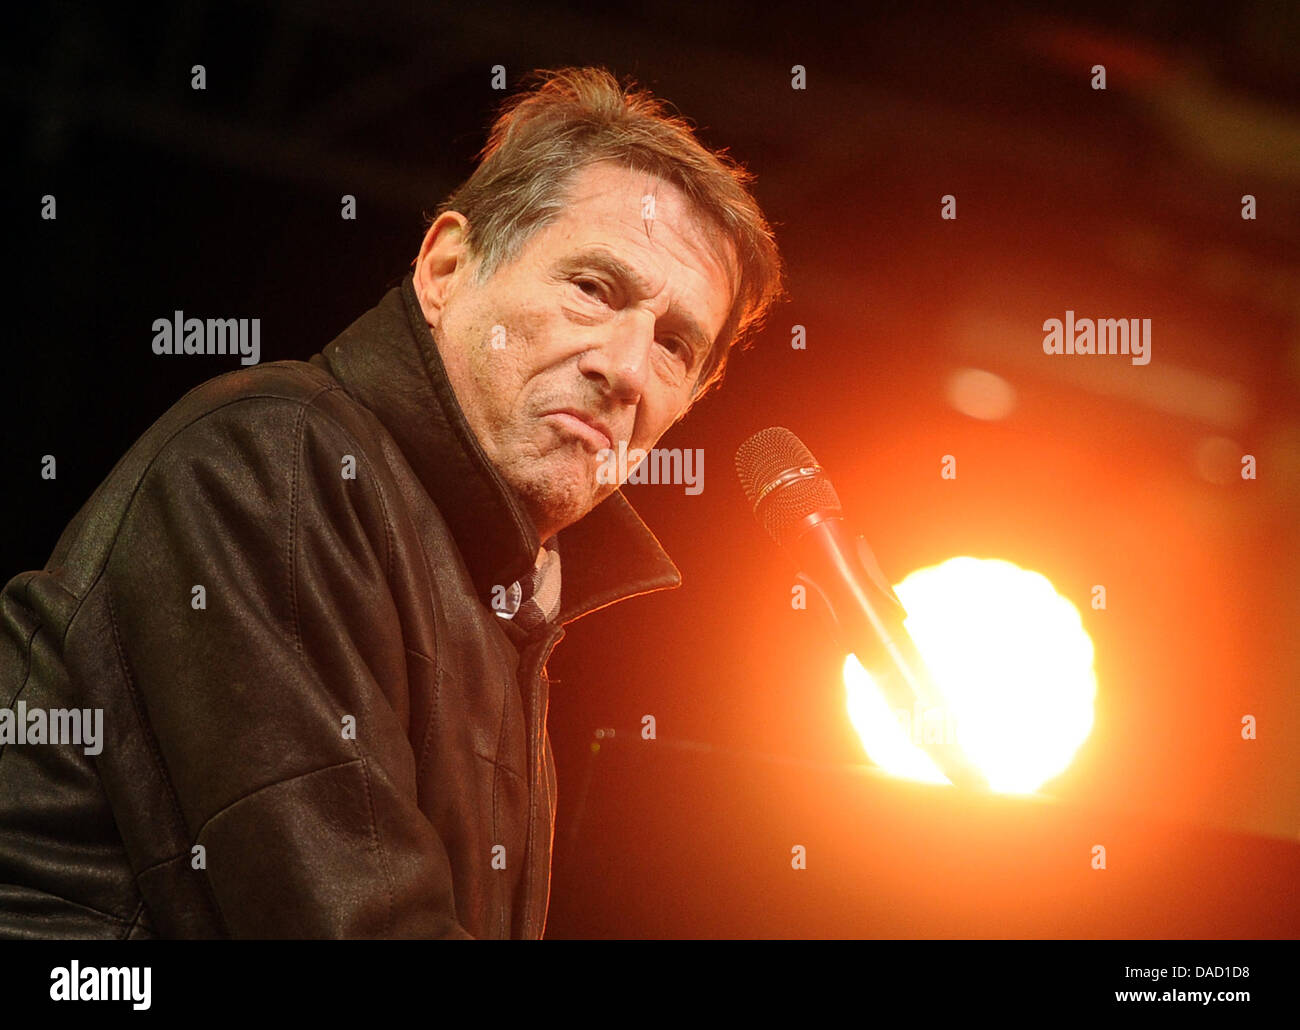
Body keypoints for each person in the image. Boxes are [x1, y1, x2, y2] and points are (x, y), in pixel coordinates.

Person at [0, 66, 783, 939]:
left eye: (676, 344)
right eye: (593, 288)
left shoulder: (503, 589)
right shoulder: (280, 457)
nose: (628, 369)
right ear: (447, 267)